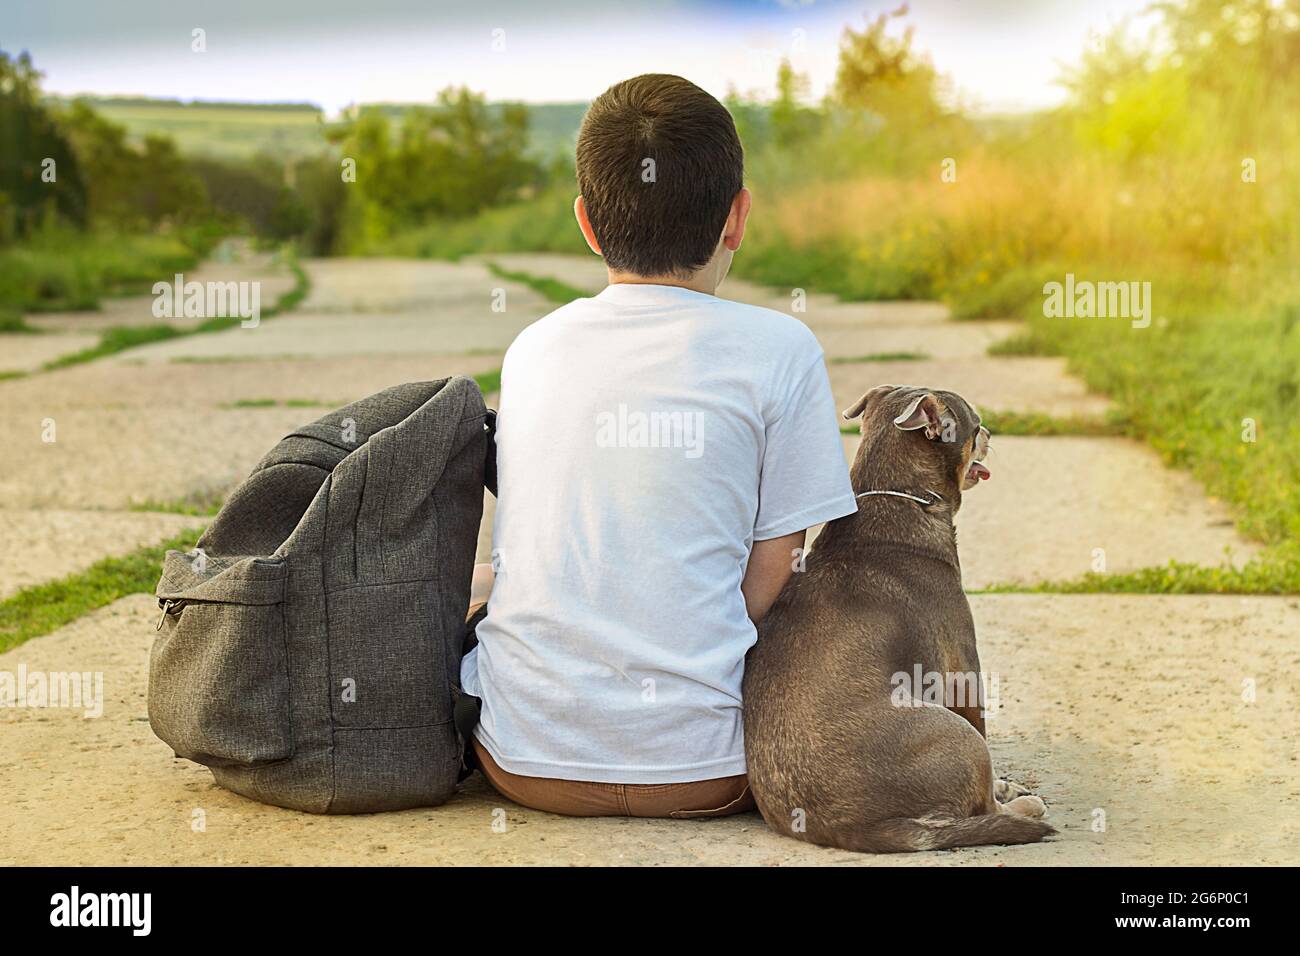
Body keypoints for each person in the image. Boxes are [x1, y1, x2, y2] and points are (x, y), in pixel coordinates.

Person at [459, 73, 856, 818]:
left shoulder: (533, 347)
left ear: (586, 222)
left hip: (522, 764)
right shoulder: (781, 348)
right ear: (737, 218)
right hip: (706, 771)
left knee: (497, 576)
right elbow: (775, 569)